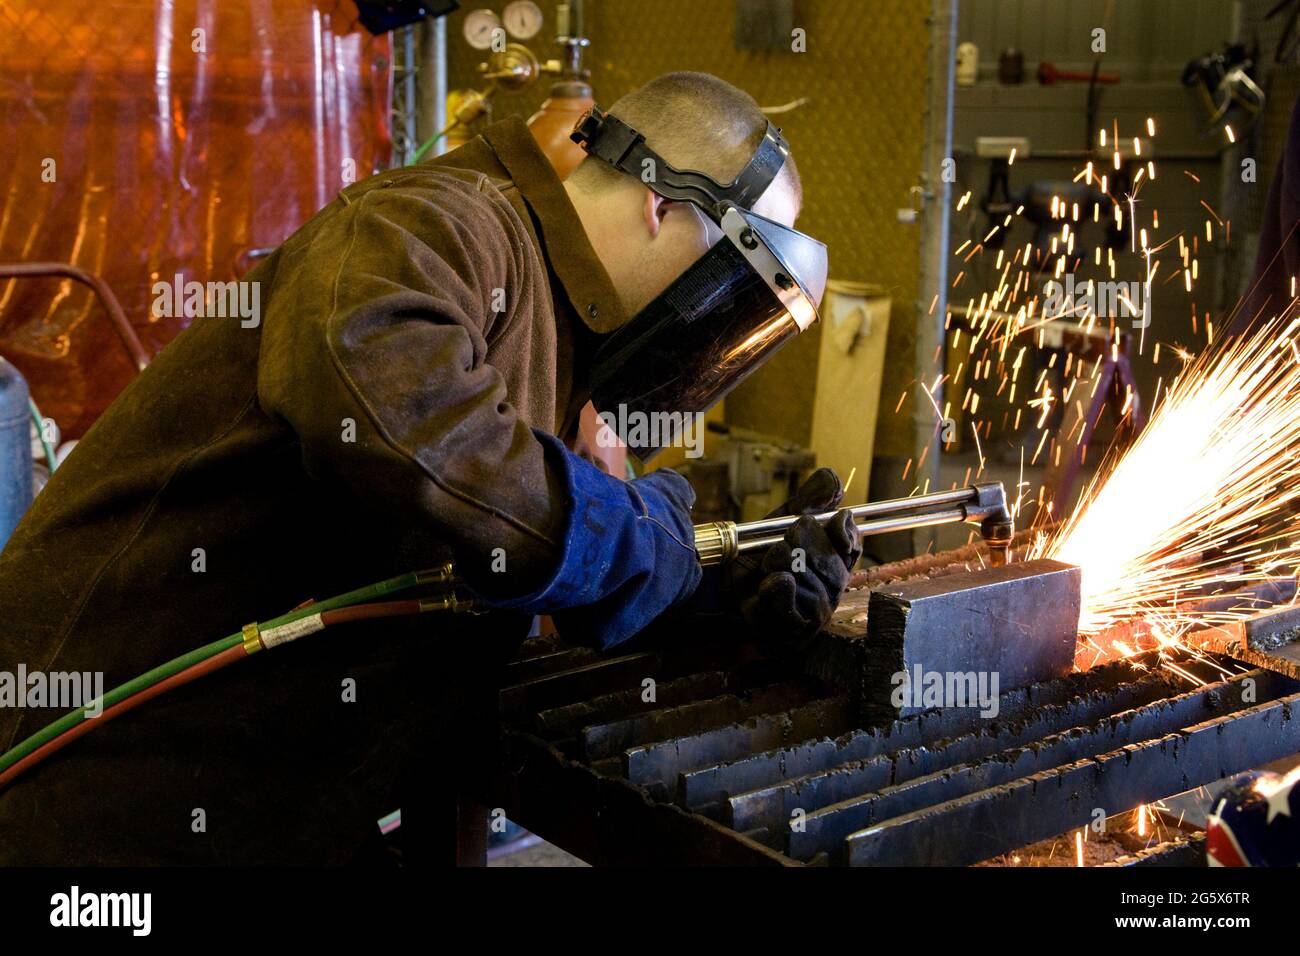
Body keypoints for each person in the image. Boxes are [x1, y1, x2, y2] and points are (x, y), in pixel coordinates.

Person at [0, 71, 859, 864]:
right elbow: (412, 440)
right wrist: (638, 532)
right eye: (730, 279)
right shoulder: (434, 224)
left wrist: (721, 579)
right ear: (659, 207)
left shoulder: (567, 326)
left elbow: (513, 548)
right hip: (98, 772)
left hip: (277, 778)